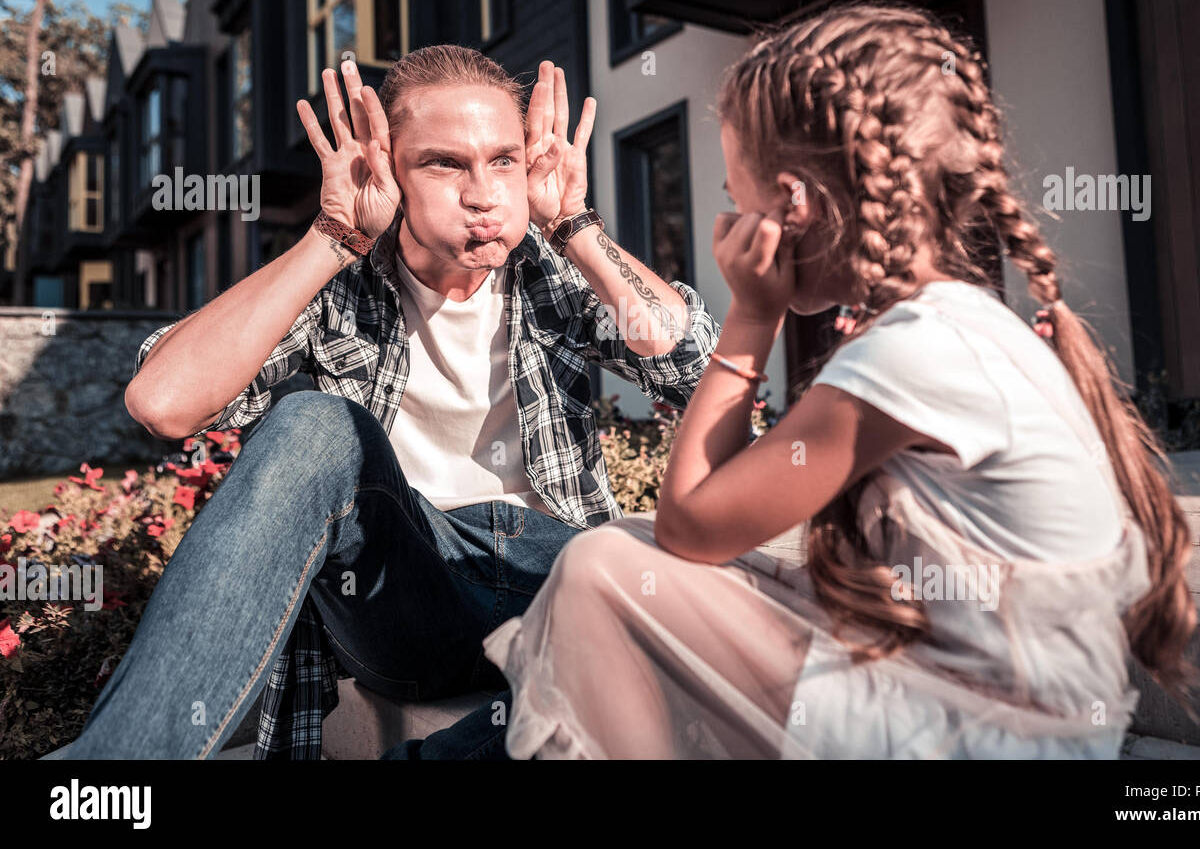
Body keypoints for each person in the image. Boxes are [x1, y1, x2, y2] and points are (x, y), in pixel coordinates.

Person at [444, 0, 1199, 759]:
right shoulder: (946, 324)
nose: (730, 217)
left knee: (602, 569)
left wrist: (750, 315)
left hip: (998, 737)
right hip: (985, 703)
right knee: (620, 546)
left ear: (792, 205)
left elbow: (693, 522)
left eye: (737, 197)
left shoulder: (920, 350)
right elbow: (698, 530)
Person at [43, 46, 720, 759]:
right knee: (311, 423)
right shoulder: (341, 285)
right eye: (444, 164)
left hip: (551, 582)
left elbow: (701, 373)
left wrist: (577, 226)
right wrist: (334, 236)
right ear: (389, 168)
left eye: (504, 161)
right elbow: (162, 403)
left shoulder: (554, 275)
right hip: (404, 590)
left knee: (674, 617)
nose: (484, 194)